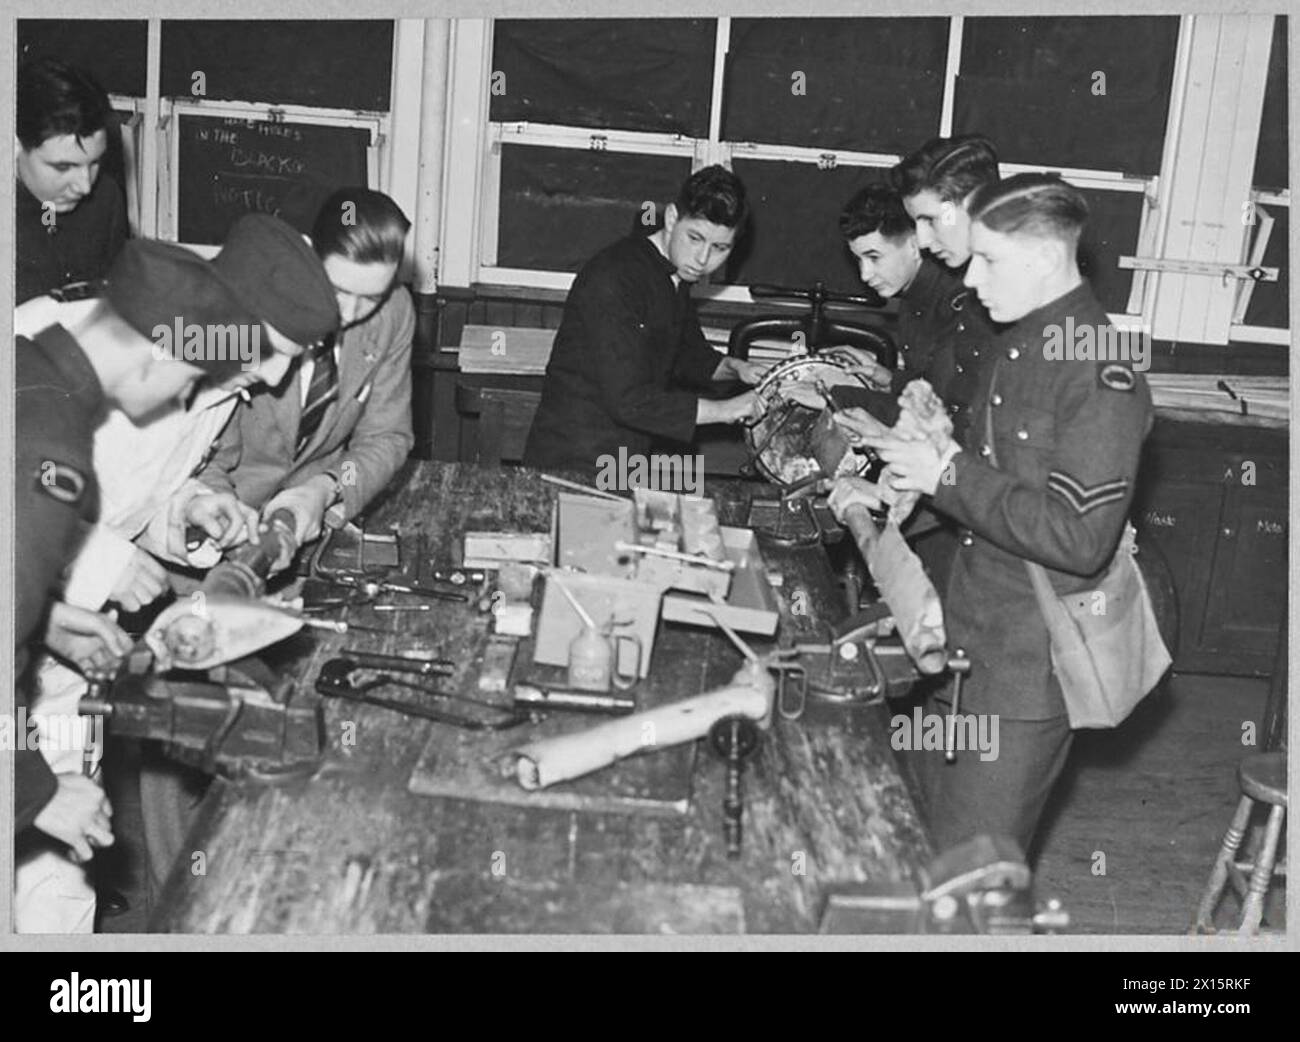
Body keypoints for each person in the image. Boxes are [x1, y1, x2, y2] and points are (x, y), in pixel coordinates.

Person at [17, 216, 340, 931]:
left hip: (60, 641)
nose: (275, 377)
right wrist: (102, 562)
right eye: (269, 350)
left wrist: (190, 509)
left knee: (56, 864)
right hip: (29, 625)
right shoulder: (53, 342)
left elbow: (131, 489)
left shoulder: (213, 376)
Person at [830, 173, 1154, 857]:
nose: (970, 279)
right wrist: (920, 461)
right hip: (961, 643)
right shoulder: (1020, 339)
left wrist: (947, 472)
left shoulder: (1101, 371)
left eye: (988, 260)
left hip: (1024, 672)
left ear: (1045, 258)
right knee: (917, 835)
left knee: (971, 870)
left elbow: (1080, 537)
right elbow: (992, 477)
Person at [194, 191, 415, 557]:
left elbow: (385, 436)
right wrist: (233, 532)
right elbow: (205, 457)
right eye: (338, 290)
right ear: (308, 255)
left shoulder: (394, 312)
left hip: (311, 531)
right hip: (214, 530)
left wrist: (327, 488)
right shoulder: (241, 310)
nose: (350, 313)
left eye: (371, 298)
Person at [523, 165, 767, 476]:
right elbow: (629, 401)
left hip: (622, 459)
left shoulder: (675, 277)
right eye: (695, 238)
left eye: (720, 248)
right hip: (573, 458)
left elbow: (690, 357)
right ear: (672, 219)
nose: (703, 259)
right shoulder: (614, 277)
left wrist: (738, 368)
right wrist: (726, 410)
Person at [15, 57, 128, 308]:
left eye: (95, 162)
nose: (85, 187)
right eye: (63, 167)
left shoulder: (106, 199)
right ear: (13, 145)